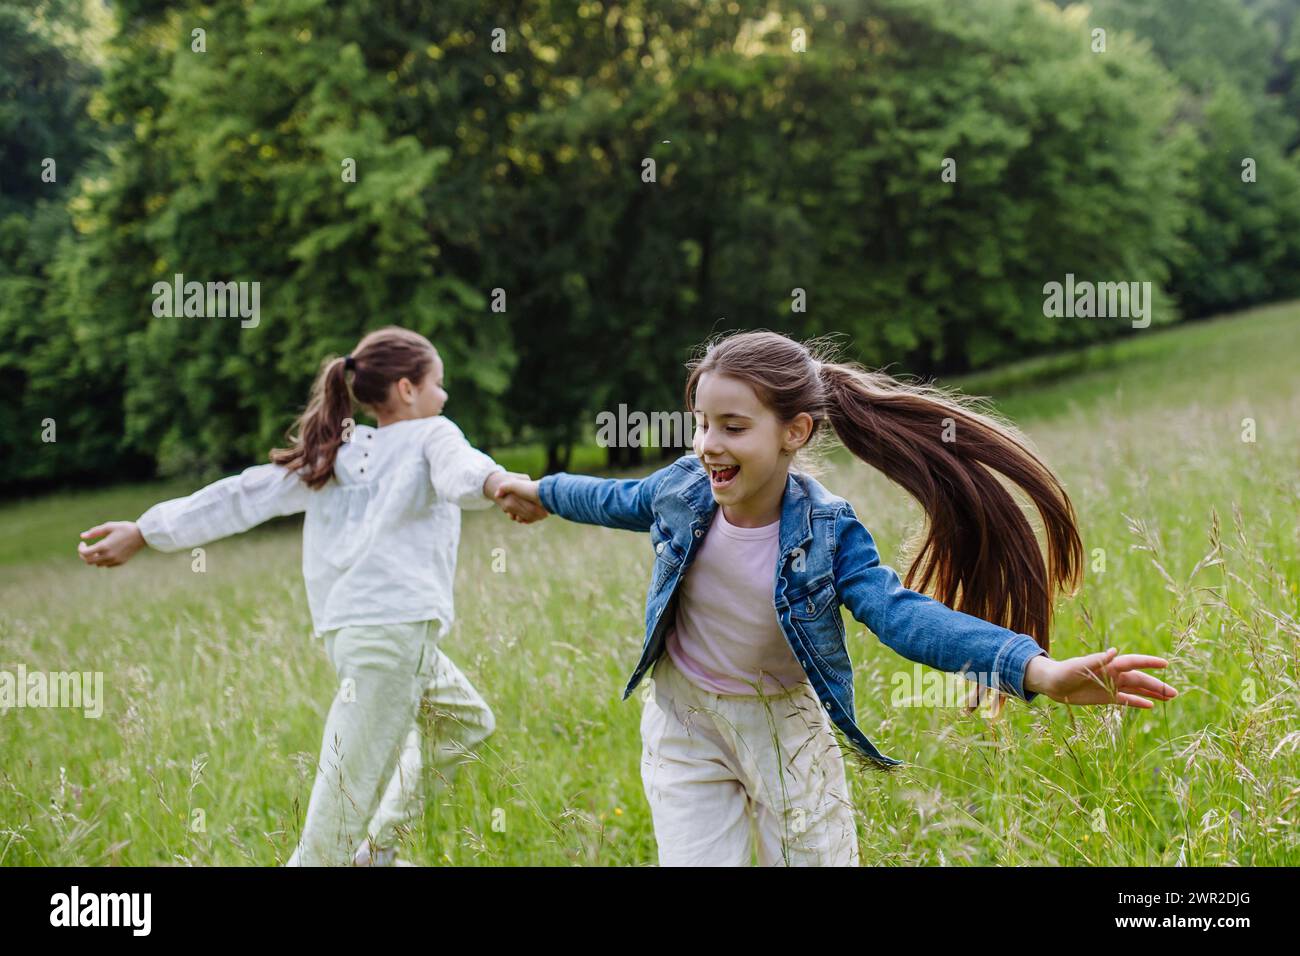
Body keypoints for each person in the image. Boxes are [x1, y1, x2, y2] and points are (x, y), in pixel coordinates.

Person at [496, 330, 1177, 866]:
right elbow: (613, 498)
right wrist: (540, 492)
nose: (708, 445)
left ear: (795, 432)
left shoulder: (828, 533)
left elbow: (902, 616)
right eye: (701, 424)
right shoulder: (681, 489)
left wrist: (1039, 671)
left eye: (732, 427)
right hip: (683, 724)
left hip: (784, 733)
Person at [77, 326, 544, 865]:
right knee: (330, 831)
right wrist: (502, 484)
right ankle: (356, 855)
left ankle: (378, 852)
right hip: (394, 637)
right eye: (439, 383)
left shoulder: (335, 454)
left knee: (465, 723)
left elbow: (239, 495)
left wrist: (145, 530)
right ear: (407, 389)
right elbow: (464, 470)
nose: (445, 395)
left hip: (359, 636)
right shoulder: (430, 433)